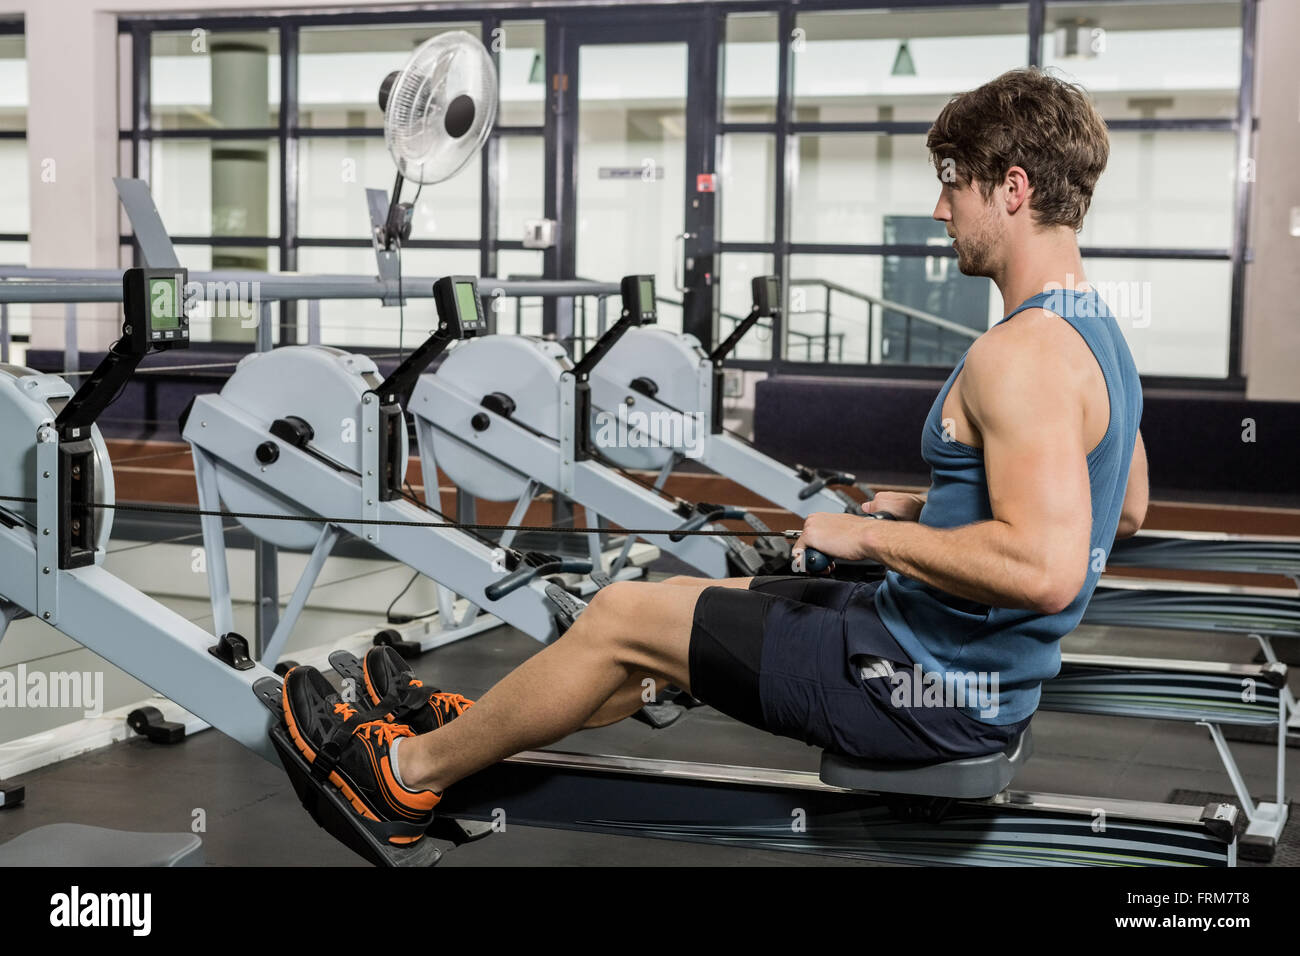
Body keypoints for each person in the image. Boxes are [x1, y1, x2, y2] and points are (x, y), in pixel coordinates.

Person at [279, 66, 1149, 845]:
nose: (939, 208)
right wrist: (925, 511)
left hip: (923, 686)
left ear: (1013, 187)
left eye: (952, 184)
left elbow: (1045, 569)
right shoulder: (1097, 332)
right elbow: (1122, 506)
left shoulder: (1021, 354)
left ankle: (401, 779)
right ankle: (466, 731)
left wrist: (871, 541)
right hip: (942, 654)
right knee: (685, 601)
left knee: (621, 616)